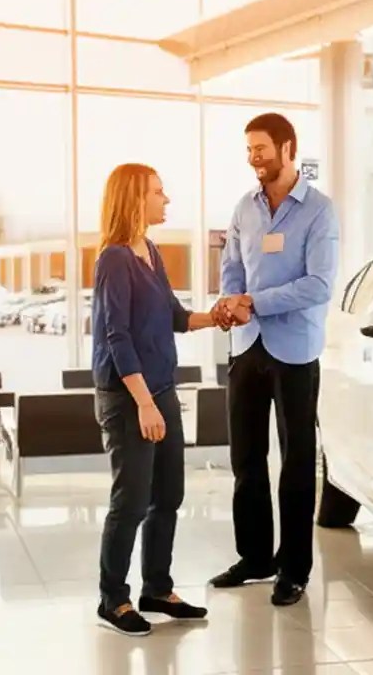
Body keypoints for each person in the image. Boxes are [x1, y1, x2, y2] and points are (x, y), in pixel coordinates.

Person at [91, 163, 239, 635]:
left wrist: (217, 316)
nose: (166, 199)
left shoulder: (151, 251)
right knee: (131, 501)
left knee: (168, 496)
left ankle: (157, 588)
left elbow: (174, 316)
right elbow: (116, 336)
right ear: (134, 199)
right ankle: (113, 599)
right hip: (128, 397)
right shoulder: (114, 259)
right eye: (158, 192)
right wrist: (144, 403)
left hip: (160, 390)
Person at [208, 113, 339, 607]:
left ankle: (294, 569)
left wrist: (255, 302)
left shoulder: (320, 211)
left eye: (261, 149)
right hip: (246, 346)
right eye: (248, 150)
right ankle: (255, 558)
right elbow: (231, 265)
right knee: (246, 458)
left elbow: (319, 284)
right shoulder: (245, 207)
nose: (253, 158)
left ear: (287, 149)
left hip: (295, 351)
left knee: (297, 463)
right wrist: (232, 301)